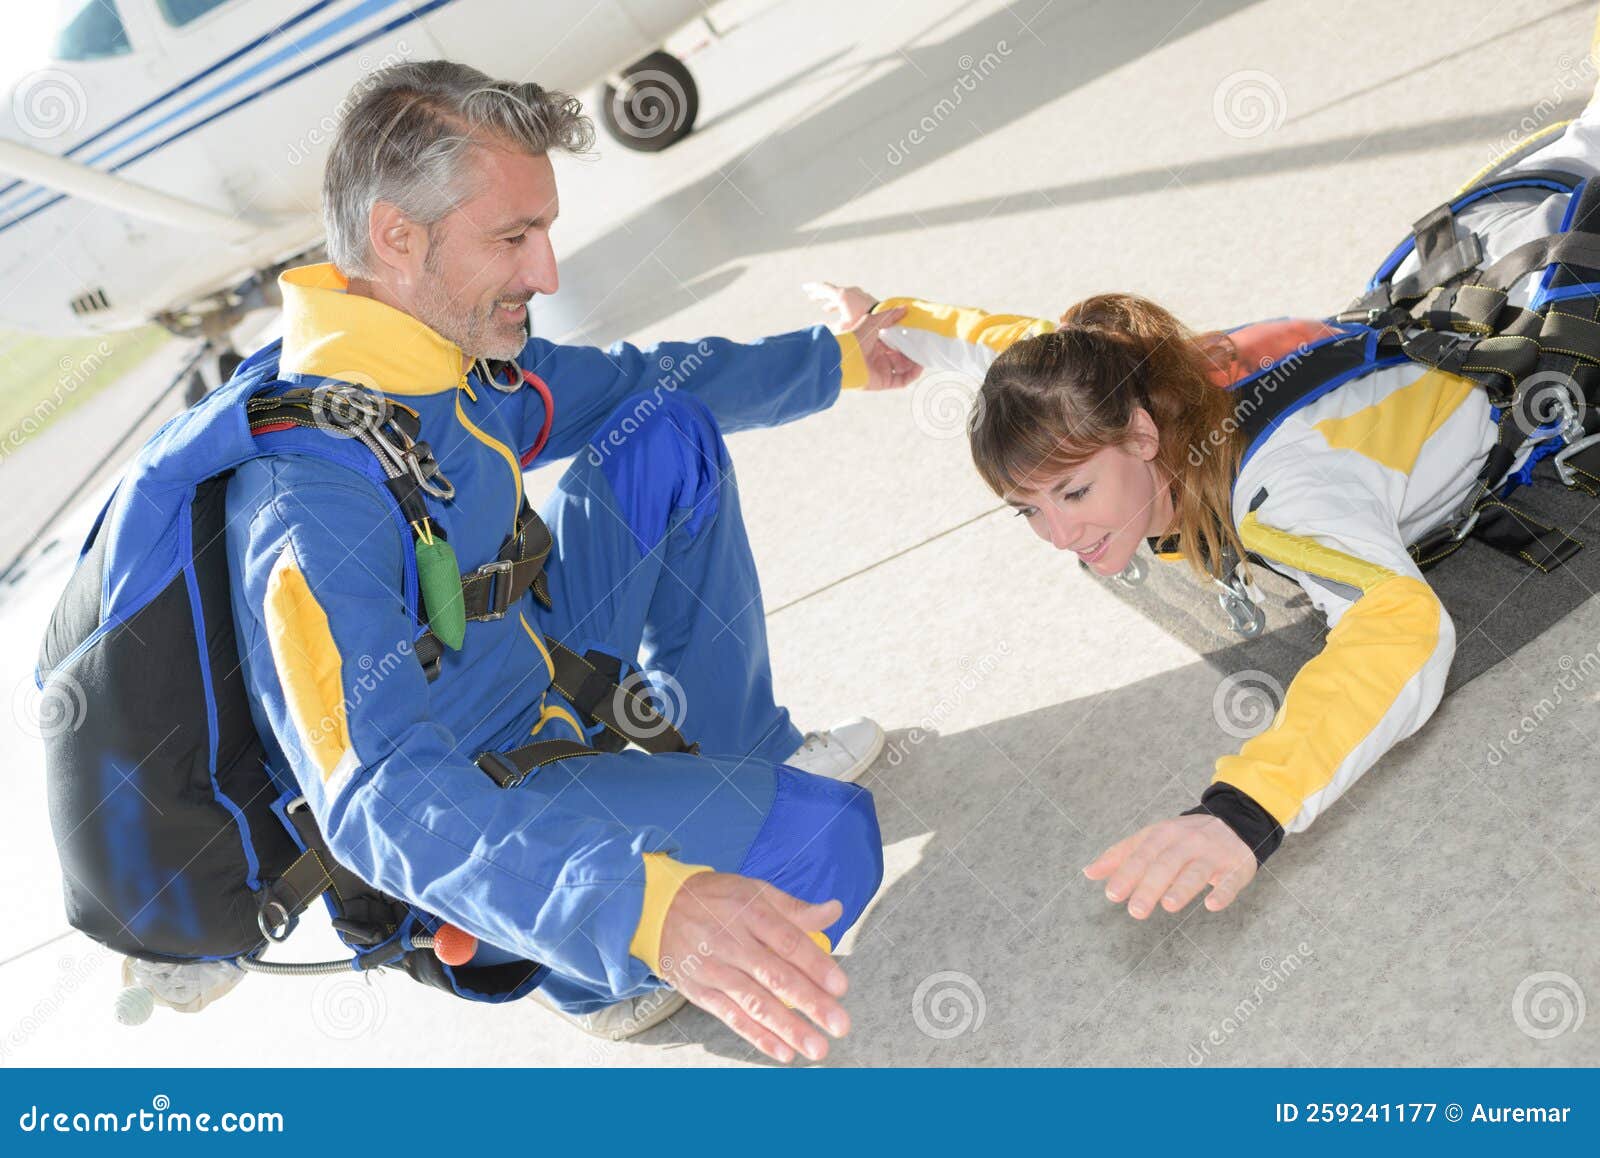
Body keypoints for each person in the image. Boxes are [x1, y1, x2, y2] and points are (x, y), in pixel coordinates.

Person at [225, 61, 917, 1062]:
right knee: (824, 843)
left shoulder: (445, 350)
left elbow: (648, 384)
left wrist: (838, 360)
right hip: (488, 796)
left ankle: (744, 757)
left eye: (543, 231)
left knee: (662, 432)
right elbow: (381, 805)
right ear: (396, 236)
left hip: (536, 664)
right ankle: (586, 974)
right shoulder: (304, 499)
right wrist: (634, 908)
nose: (547, 273)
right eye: (514, 238)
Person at [811, 78, 1600, 926]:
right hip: (1516, 215)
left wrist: (1246, 809)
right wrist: (883, 333)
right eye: (1029, 509)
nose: (1060, 533)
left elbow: (1400, 628)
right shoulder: (1124, 373)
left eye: (1072, 492)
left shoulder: (1279, 494)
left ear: (1144, 438)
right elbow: (1005, 347)